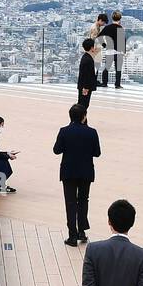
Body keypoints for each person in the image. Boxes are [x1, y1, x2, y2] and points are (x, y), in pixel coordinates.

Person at [54, 103, 101, 246]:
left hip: (68, 172)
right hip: (86, 171)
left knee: (70, 203)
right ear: (84, 116)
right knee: (83, 201)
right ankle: (82, 231)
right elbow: (97, 153)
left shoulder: (64, 131)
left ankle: (72, 236)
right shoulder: (92, 132)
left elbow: (56, 150)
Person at [97, 10, 127, 88]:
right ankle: (117, 84)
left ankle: (104, 83)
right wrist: (124, 51)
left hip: (109, 50)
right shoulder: (121, 28)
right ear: (120, 18)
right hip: (119, 51)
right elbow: (123, 41)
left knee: (106, 67)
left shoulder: (108, 27)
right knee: (118, 69)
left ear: (112, 18)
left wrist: (104, 45)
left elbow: (99, 36)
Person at [77, 38, 99, 109]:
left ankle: (80, 119)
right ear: (92, 48)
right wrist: (85, 88)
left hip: (85, 87)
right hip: (85, 87)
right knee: (83, 105)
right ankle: (79, 119)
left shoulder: (87, 57)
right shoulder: (88, 59)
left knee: (83, 104)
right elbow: (86, 75)